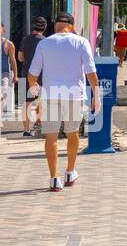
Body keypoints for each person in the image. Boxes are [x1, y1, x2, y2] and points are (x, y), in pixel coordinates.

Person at [27, 12, 100, 192]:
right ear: (73, 26)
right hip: (74, 95)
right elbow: (91, 72)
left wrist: (36, 91)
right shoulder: (81, 42)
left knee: (51, 136)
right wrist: (96, 96)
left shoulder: (44, 43)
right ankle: (70, 171)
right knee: (72, 133)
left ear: (55, 26)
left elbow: (32, 75)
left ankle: (54, 179)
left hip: (50, 95)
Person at [18, 17, 46, 136]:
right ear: (44, 28)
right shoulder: (45, 41)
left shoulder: (25, 40)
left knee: (27, 103)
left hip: (26, 74)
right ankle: (39, 123)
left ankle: (26, 130)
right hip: (41, 75)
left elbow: (20, 57)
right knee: (42, 101)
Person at [1, 23, 16, 130]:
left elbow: (13, 60)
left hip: (3, 74)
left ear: (3, 30)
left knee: (2, 97)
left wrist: (16, 75)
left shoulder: (8, 44)